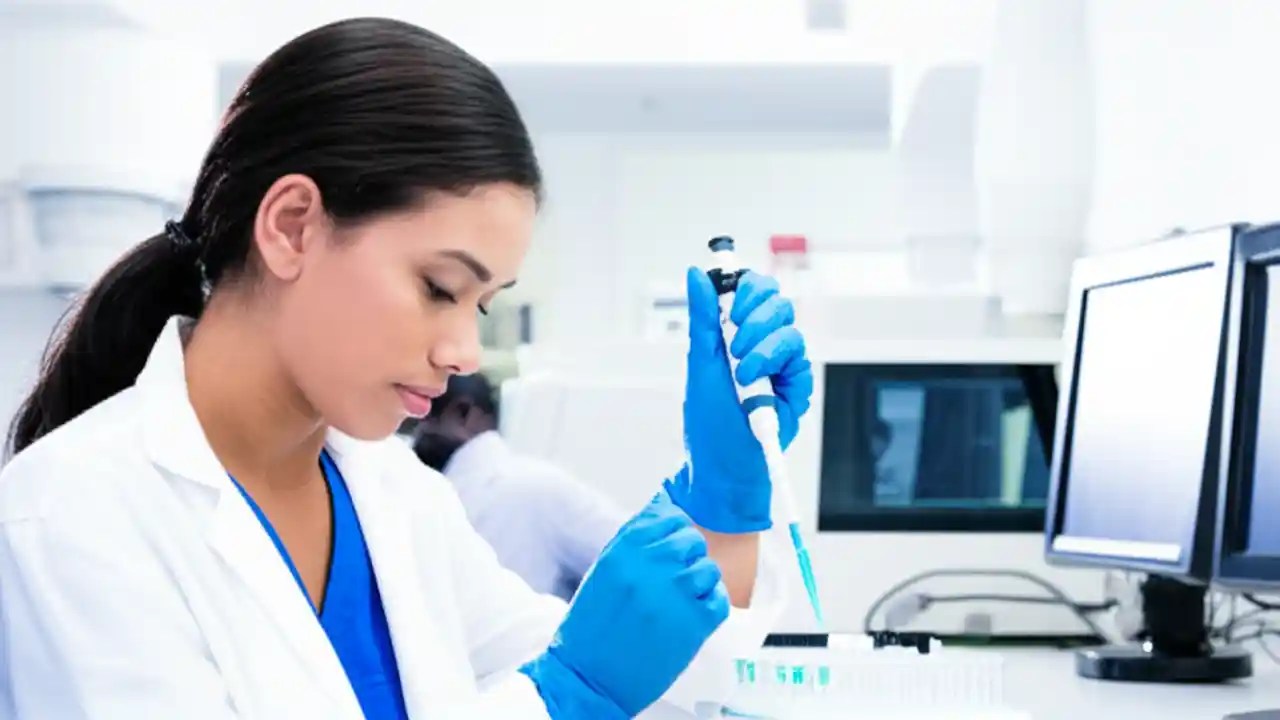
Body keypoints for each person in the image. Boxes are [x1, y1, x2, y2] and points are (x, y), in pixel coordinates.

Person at [0, 17, 814, 720]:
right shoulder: (72, 518)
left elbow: (669, 682)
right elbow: (574, 688)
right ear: (291, 227)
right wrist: (563, 694)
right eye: (439, 288)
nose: (464, 352)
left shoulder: (398, 499)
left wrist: (728, 494)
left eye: (481, 305)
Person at [411, 373, 626, 601]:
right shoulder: (432, 493)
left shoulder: (533, 486)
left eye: (416, 422)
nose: (412, 438)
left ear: (462, 413)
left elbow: (649, 562)